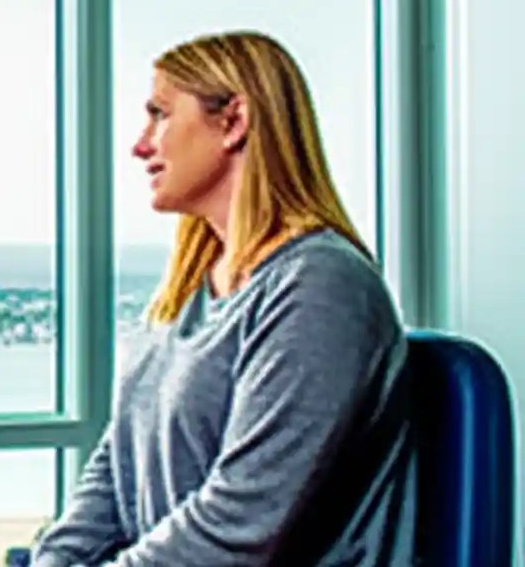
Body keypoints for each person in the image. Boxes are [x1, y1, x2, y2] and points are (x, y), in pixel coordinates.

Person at [32, 31, 415, 566]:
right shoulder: (189, 291)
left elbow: (235, 528)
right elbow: (113, 476)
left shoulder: (320, 288)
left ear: (233, 121)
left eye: (160, 114)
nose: (141, 144)